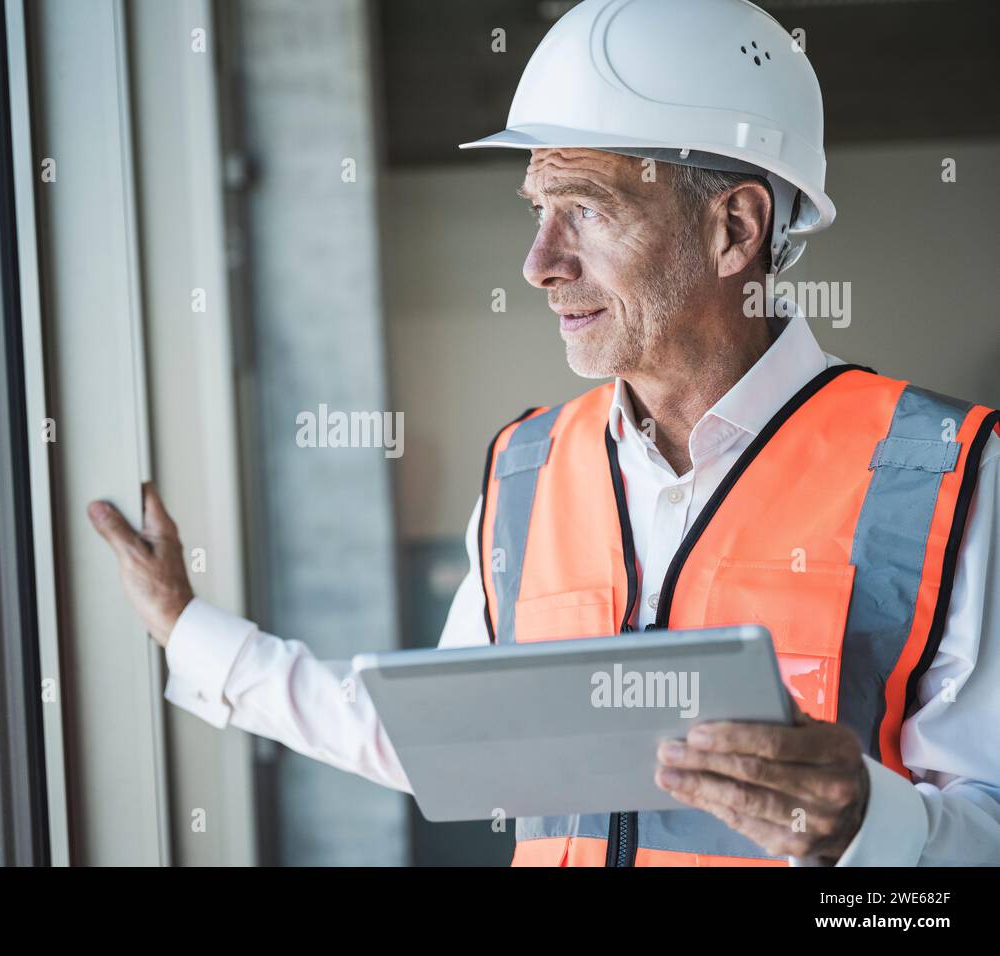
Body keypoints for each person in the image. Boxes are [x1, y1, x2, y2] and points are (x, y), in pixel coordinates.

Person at [88, 0, 1000, 866]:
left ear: (735, 227)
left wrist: (869, 823)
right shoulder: (528, 468)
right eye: (537, 210)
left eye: (588, 210)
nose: (539, 264)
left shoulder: (944, 475)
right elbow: (440, 740)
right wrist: (189, 631)